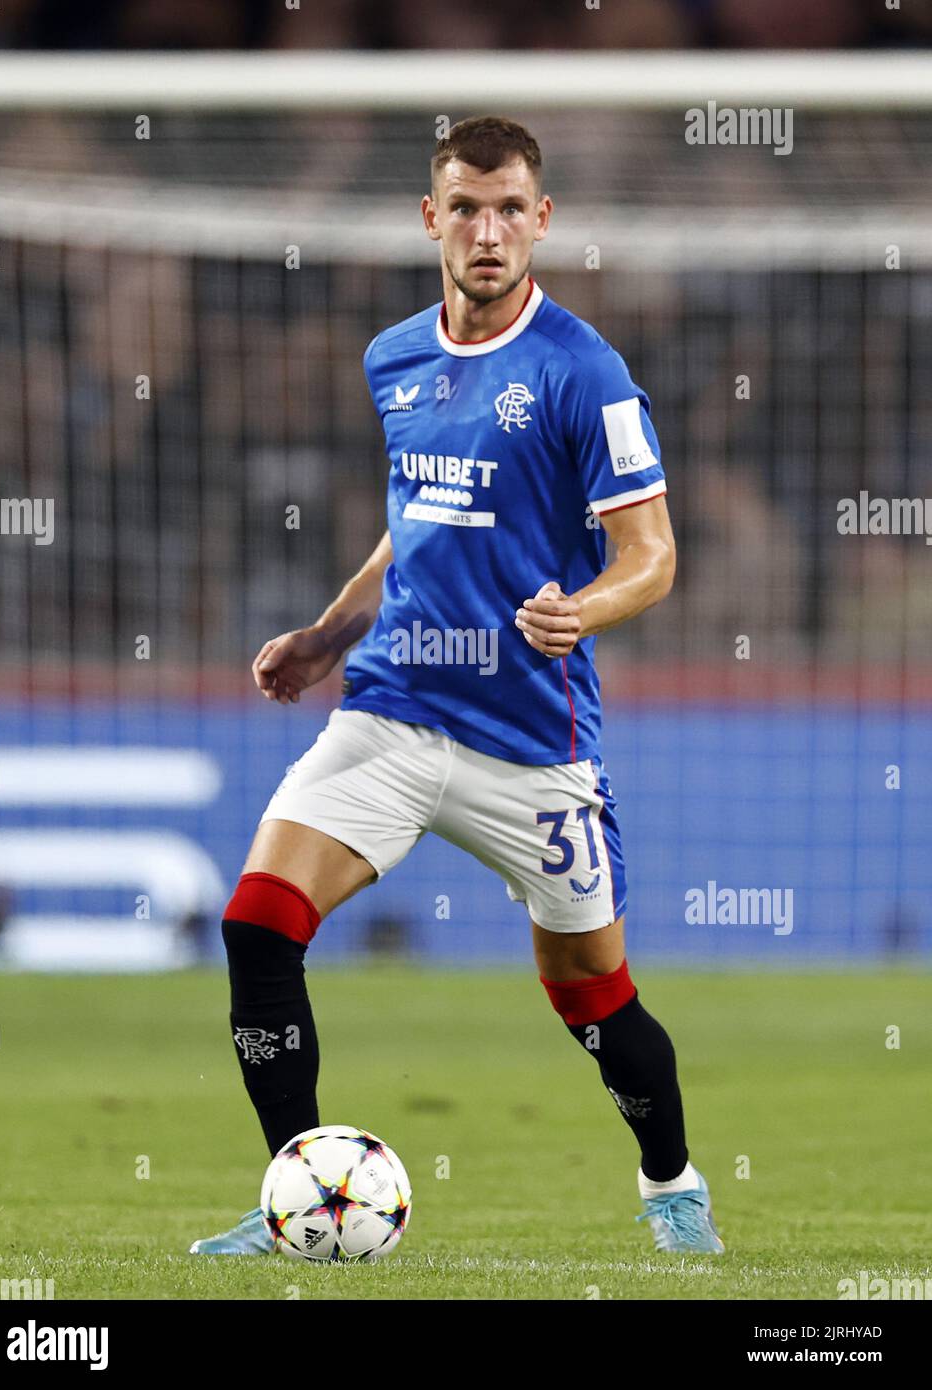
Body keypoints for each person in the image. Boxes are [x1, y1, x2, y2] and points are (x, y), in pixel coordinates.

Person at [190, 115, 724, 1257]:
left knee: (593, 1001)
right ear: (432, 218)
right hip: (391, 709)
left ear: (543, 220)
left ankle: (672, 1182)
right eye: (467, 208)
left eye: (511, 208)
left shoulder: (584, 370)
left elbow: (654, 555)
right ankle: (297, 1194)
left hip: (530, 741)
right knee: (256, 925)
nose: (489, 230)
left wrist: (585, 607)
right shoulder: (394, 358)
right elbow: (414, 525)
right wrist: (331, 635)